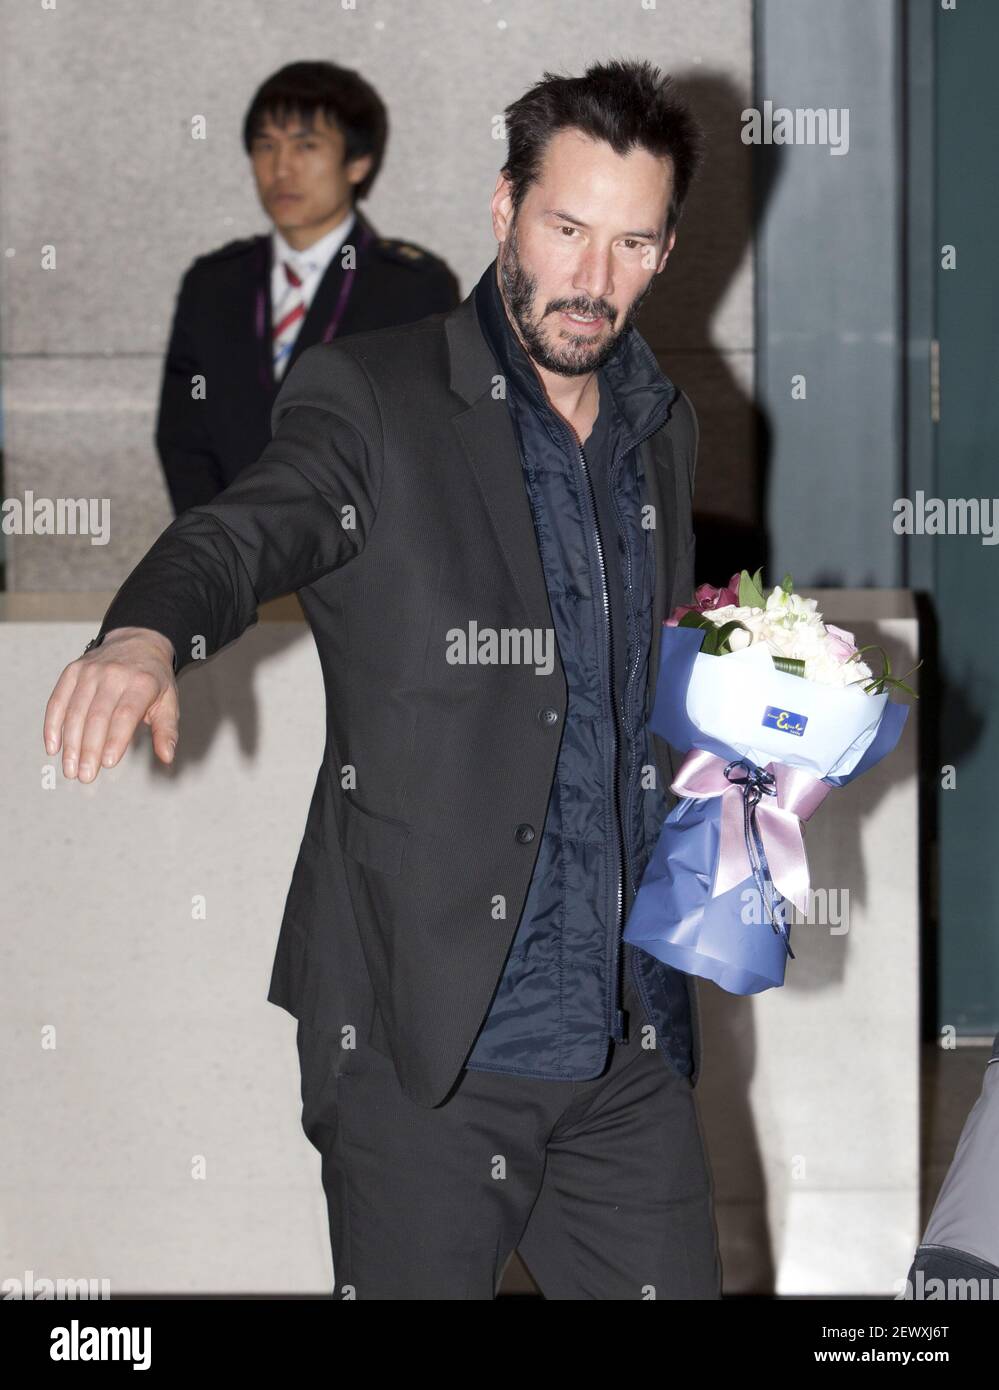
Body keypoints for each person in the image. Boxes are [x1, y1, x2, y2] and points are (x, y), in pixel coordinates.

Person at [43, 58, 722, 1300]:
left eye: (631, 243)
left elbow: (638, 683)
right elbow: (244, 531)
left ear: (667, 249)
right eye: (567, 229)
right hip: (426, 1051)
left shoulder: (659, 422)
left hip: (625, 1050)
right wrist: (145, 633)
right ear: (504, 205)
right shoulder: (379, 396)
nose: (592, 279)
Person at [156, 59, 460, 514]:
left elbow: (425, 447)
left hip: (358, 568)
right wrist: (223, 555)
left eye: (306, 146)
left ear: (358, 162)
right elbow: (182, 438)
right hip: (229, 564)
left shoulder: (412, 289)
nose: (282, 169)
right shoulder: (213, 285)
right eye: (265, 146)